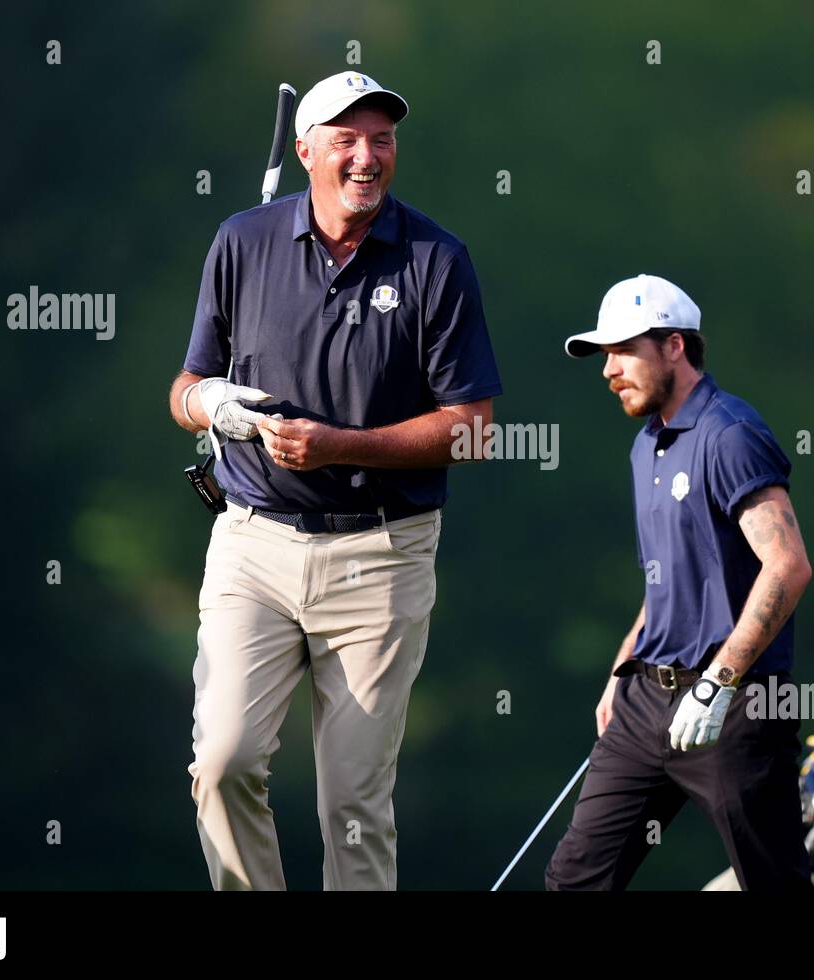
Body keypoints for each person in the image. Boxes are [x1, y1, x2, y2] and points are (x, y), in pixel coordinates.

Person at [168, 71, 502, 890]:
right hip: (253, 543)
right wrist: (215, 406)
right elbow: (186, 387)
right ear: (304, 151)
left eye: (381, 139)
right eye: (346, 140)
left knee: (352, 802)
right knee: (222, 762)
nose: (367, 157)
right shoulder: (242, 241)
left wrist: (339, 446)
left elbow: (472, 428)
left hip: (381, 554)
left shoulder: (436, 259)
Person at [545, 274, 814, 891]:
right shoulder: (647, 444)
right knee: (574, 880)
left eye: (623, 350)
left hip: (738, 706)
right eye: (604, 355)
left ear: (674, 345)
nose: (609, 370)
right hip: (645, 701)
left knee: (774, 883)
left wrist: (719, 682)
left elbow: (788, 565)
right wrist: (623, 668)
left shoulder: (730, 434)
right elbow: (669, 577)